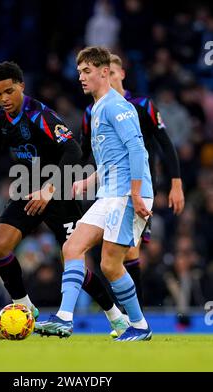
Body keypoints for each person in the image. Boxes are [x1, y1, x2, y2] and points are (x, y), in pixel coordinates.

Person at [0, 61, 128, 338]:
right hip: (27, 189)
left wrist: (49, 188)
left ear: (21, 86)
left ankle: (116, 315)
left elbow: (73, 152)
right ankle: (25, 309)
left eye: (8, 91)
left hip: (58, 191)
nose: (3, 99)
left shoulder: (40, 115)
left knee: (73, 260)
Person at [35, 46, 153, 341]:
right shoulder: (98, 107)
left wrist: (137, 195)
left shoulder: (117, 106)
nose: (81, 78)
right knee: (72, 248)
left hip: (126, 194)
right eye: (79, 73)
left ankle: (138, 326)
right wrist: (88, 180)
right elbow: (113, 158)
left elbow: (138, 150)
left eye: (87, 71)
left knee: (110, 265)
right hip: (109, 193)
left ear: (104, 72)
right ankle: (64, 318)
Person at [81, 54, 185, 308]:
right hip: (108, 188)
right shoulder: (92, 110)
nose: (111, 78)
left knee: (129, 250)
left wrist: (176, 183)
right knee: (105, 254)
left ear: (119, 74)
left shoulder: (142, 105)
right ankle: (126, 315)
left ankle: (134, 316)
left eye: (114, 74)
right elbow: (85, 152)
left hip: (138, 187)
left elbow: (164, 144)